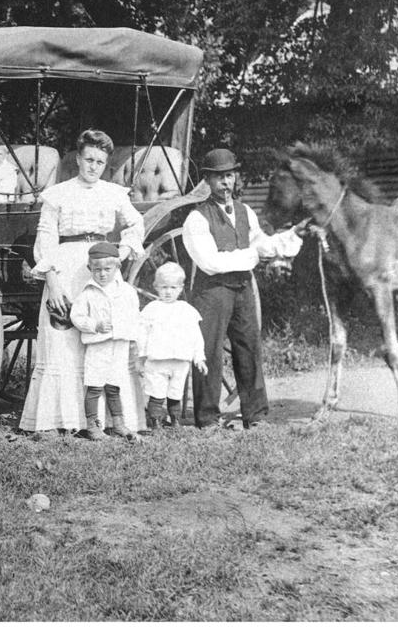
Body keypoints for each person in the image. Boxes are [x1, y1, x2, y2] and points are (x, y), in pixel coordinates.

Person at [18, 129, 144, 435]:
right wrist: (51, 279)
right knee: (62, 340)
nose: (93, 167)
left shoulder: (113, 193)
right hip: (64, 265)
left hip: (100, 267)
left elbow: (135, 224)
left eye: (100, 162)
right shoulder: (58, 193)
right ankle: (60, 419)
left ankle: (106, 419)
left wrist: (119, 254)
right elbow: (46, 237)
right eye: (89, 160)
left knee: (102, 342)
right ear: (78, 159)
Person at [181, 148, 302, 430]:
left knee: (249, 347)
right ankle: (208, 419)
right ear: (207, 181)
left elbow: (260, 243)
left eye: (229, 176)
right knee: (209, 352)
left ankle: (256, 415)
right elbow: (210, 262)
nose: (225, 183)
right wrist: (252, 256)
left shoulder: (245, 211)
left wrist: (291, 237)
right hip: (212, 290)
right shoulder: (197, 218)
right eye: (219, 177)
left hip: (243, 288)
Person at [69, 241, 142, 440]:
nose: (102, 274)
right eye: (97, 270)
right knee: (94, 385)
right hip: (98, 346)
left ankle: (118, 424)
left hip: (119, 345)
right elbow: (77, 317)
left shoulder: (127, 291)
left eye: (107, 269)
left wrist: (133, 340)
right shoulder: (88, 293)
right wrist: (95, 325)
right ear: (90, 269)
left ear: (117, 267)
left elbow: (134, 316)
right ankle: (92, 426)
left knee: (114, 385)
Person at [137, 261, 207, 431]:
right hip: (157, 360)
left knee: (175, 392)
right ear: (156, 287)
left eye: (173, 288)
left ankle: (175, 421)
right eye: (164, 287)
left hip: (180, 360)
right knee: (156, 392)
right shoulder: (151, 309)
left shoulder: (186, 310)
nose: (168, 292)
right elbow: (141, 335)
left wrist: (199, 357)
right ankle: (156, 422)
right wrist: (140, 357)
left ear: (180, 288)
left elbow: (195, 336)